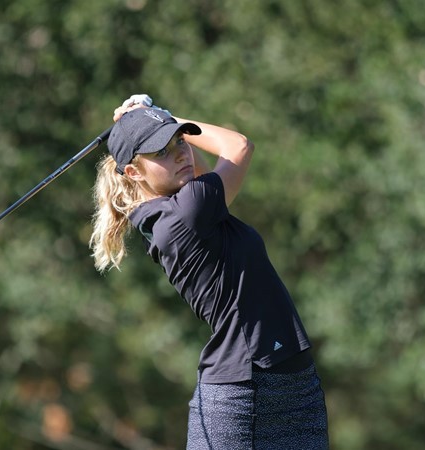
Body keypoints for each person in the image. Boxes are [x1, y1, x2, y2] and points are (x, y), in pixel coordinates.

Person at [89, 95, 329, 449]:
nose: (181, 154)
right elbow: (237, 145)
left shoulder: (177, 207)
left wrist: (154, 120)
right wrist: (164, 115)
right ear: (134, 171)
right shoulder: (185, 213)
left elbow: (199, 174)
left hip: (289, 384)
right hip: (245, 391)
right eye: (162, 152)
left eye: (180, 141)